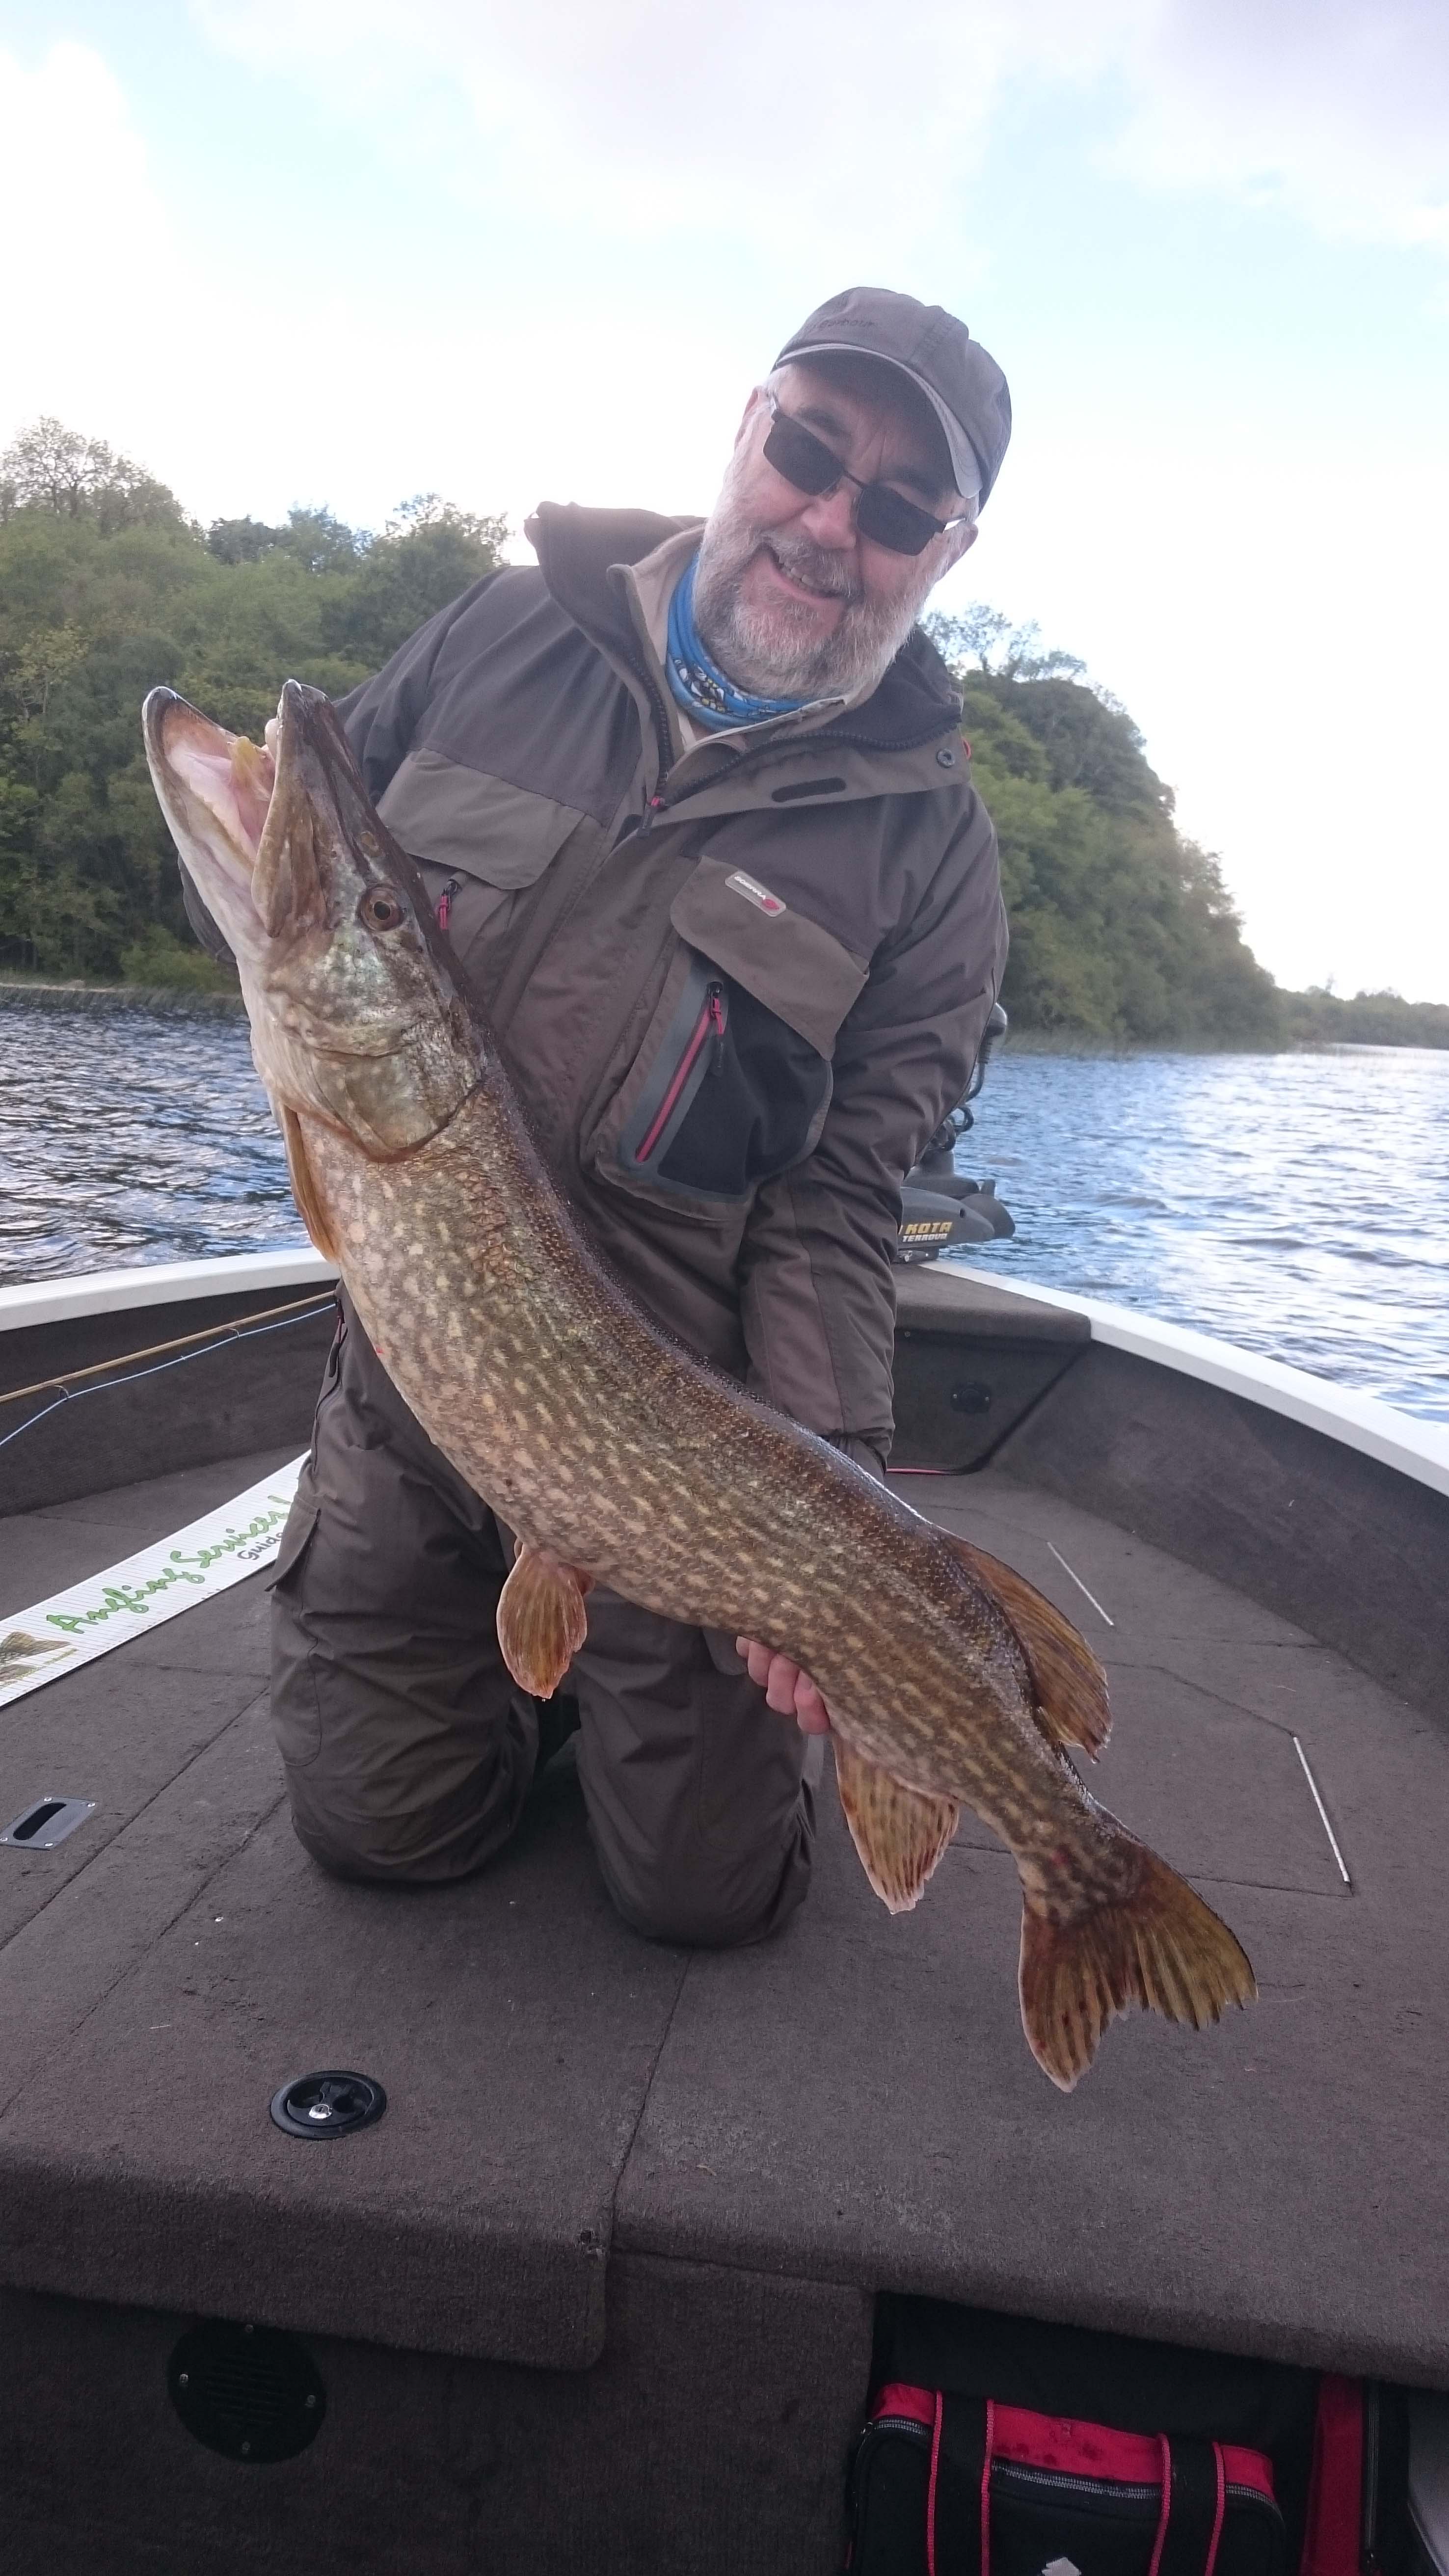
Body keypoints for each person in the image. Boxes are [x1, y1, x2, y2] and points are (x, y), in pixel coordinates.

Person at [264, 286, 1011, 1946]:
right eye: (809, 454)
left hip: (698, 1425)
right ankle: (525, 1690)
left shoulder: (934, 860)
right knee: (381, 1834)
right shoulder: (499, 630)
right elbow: (306, 897)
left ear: (943, 555)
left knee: (703, 1901)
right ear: (748, 429)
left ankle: (664, 1703)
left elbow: (838, 1204)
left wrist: (832, 1518)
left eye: (895, 509)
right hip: (421, 1389)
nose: (829, 524)